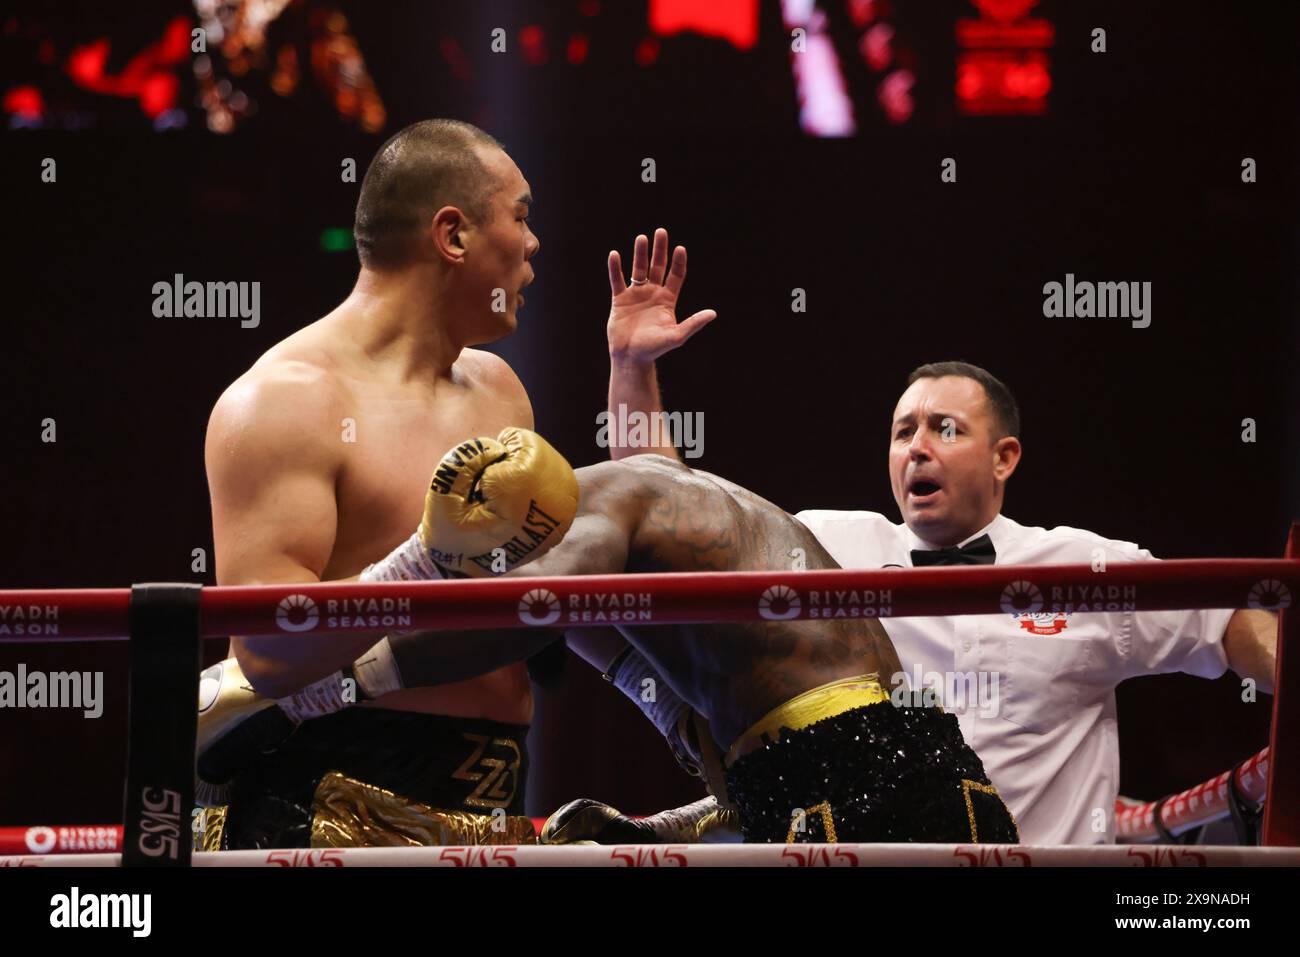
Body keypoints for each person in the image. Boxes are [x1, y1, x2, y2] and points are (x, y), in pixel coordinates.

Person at [208, 425, 1020, 844]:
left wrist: (316, 691)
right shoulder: (671, 512)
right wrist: (670, 824)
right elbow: (647, 665)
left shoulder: (601, 502)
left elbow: (523, 615)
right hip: (897, 766)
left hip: (851, 777)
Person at [602, 340, 1278, 843]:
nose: (917, 447)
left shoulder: (1080, 564)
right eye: (903, 432)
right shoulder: (833, 546)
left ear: (1003, 457)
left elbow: (1231, 620)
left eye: (944, 429)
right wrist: (632, 363)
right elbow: (673, 511)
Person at [203, 118, 551, 848]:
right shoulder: (287, 401)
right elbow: (266, 651)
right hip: (329, 799)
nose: (533, 243)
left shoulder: (499, 392)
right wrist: (423, 558)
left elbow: (548, 597)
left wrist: (632, 377)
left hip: (497, 797)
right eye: (520, 216)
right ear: (452, 235)